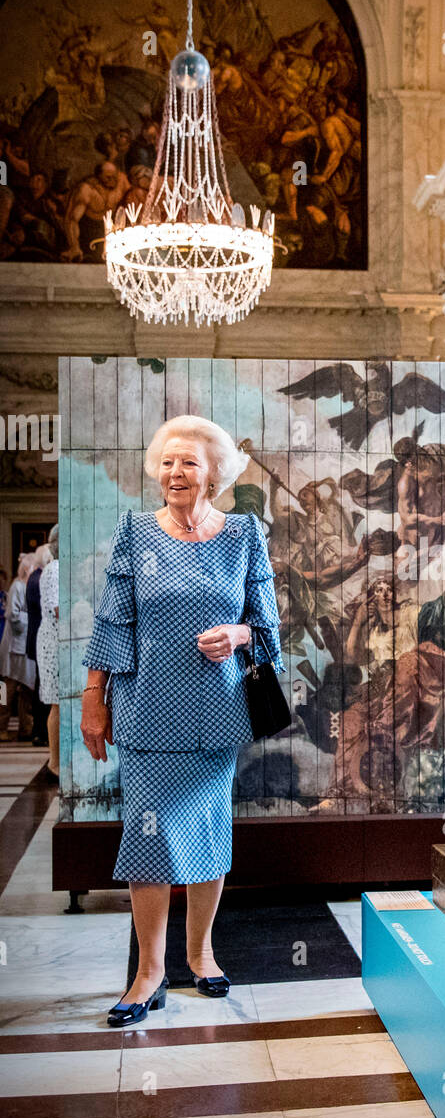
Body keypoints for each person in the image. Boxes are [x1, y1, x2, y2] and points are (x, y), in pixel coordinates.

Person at [79, 416, 284, 1028]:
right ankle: (148, 972)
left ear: (214, 473)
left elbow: (268, 629)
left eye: (189, 462)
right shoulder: (135, 534)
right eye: (167, 462)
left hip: (216, 713)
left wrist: (240, 633)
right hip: (146, 712)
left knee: (206, 837)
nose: (175, 473)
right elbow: (114, 621)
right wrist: (95, 697)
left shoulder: (245, 534)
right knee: (147, 844)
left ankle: (201, 954)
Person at [0, 554, 36, 740]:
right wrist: (33, 620)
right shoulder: (17, 585)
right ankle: (2, 728)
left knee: (27, 691)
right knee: (8, 690)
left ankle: (26, 728)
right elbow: (13, 616)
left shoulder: (28, 586)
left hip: (25, 648)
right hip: (15, 647)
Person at [36, 526, 60, 779]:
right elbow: (57, 608)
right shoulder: (54, 569)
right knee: (58, 704)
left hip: (56, 640)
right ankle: (54, 762)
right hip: (53, 643)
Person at [25, 544, 51, 747]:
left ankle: (39, 729)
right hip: (40, 638)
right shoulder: (38, 578)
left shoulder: (36, 577)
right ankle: (39, 730)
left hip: (38, 637)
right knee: (40, 688)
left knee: (39, 686)